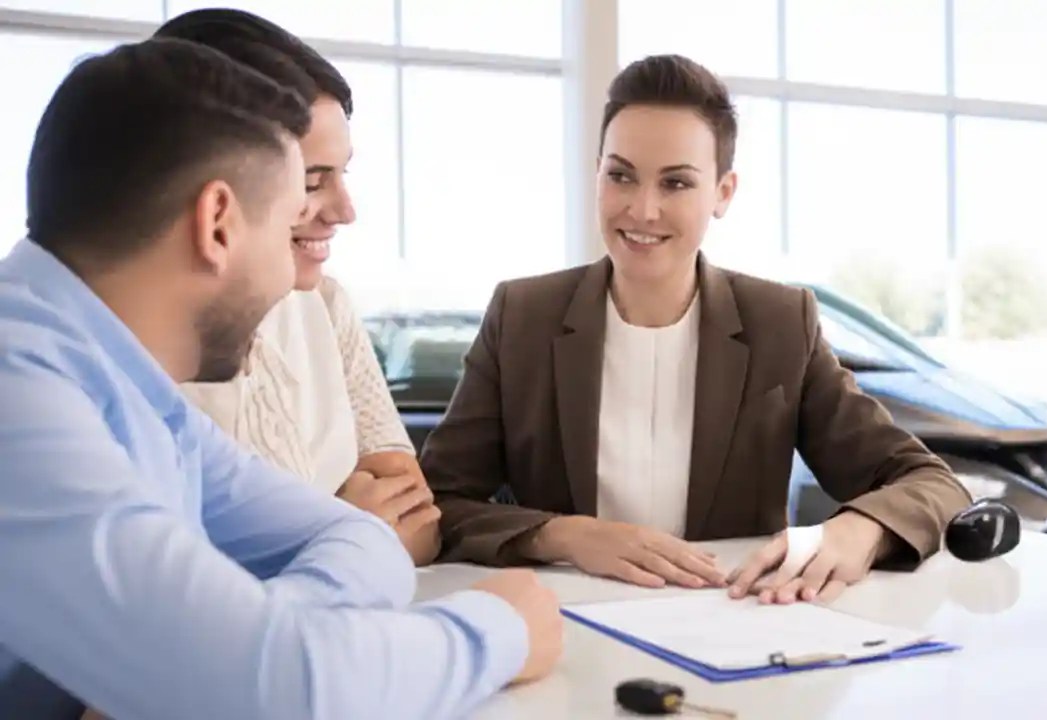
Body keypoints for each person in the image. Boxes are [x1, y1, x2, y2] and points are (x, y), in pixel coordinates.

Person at [0, 39, 560, 720]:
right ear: (218, 223)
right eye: (288, 212)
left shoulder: (135, 388)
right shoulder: (19, 396)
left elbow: (360, 545)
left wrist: (243, 643)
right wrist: (500, 631)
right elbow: (280, 688)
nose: (293, 264)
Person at [425, 54, 971, 605]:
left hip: (731, 625)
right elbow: (439, 504)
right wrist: (565, 535)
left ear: (723, 193)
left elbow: (931, 483)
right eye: (621, 176)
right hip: (565, 625)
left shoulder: (779, 323)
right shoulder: (523, 315)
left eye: (677, 184)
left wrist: (857, 528)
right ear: (596, 176)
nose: (643, 209)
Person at [153, 9, 441, 566]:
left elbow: (419, 529)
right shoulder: (148, 341)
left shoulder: (325, 305)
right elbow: (183, 587)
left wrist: (334, 535)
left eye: (343, 174)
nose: (344, 211)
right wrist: (345, 525)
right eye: (311, 181)